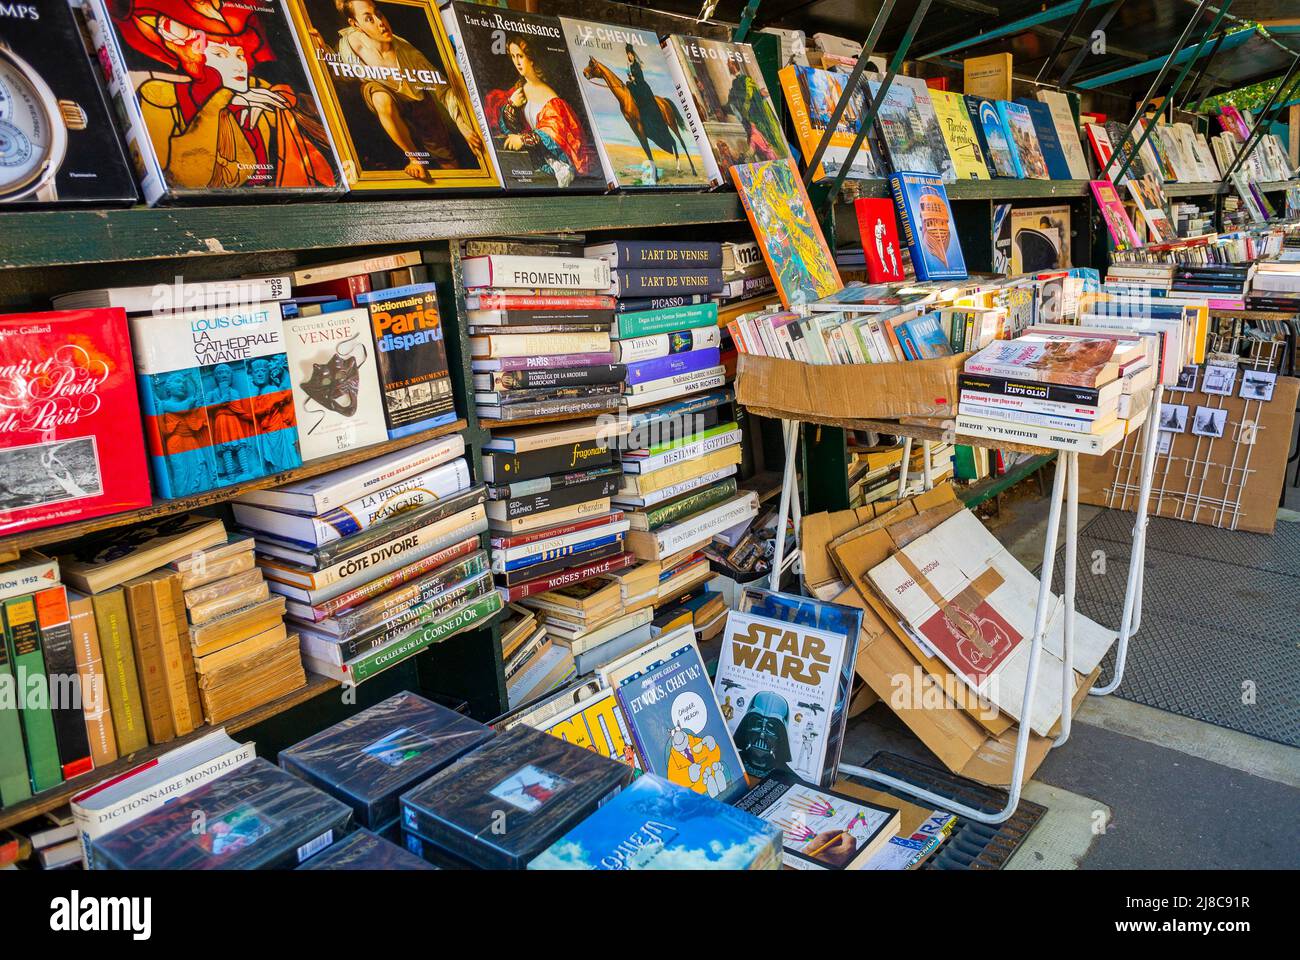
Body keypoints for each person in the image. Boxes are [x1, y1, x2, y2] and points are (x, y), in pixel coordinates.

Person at [122, 5, 337, 190]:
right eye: (219, 55)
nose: (237, 64)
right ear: (197, 58)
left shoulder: (257, 88)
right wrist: (222, 100)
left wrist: (287, 103)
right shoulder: (160, 95)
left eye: (240, 55)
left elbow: (315, 119)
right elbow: (179, 179)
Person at [322, 0, 485, 179]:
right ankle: (414, 159)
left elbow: (444, 90)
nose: (380, 23)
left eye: (379, 14)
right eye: (369, 19)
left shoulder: (409, 53)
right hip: (387, 98)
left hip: (417, 100)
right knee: (379, 96)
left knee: (449, 162)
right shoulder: (349, 44)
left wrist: (463, 126)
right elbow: (341, 75)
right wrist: (323, 51)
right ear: (355, 24)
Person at [485, 35, 594, 187]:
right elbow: (509, 128)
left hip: (550, 161)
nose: (517, 62)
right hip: (528, 158)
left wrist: (523, 140)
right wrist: (511, 105)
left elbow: (555, 133)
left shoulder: (551, 98)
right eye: (513, 56)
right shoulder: (518, 89)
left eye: (521, 56)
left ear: (531, 58)